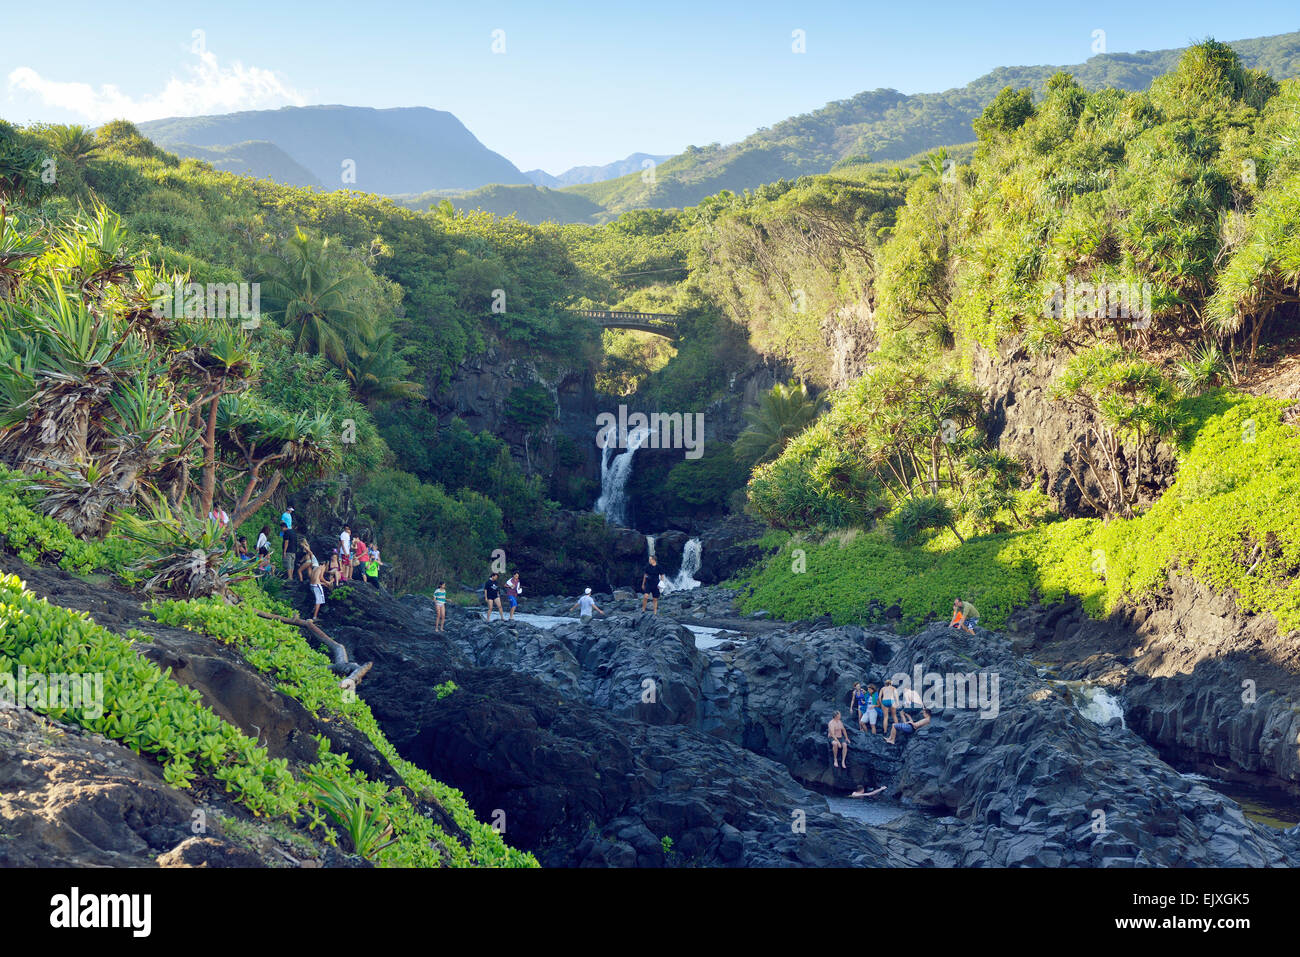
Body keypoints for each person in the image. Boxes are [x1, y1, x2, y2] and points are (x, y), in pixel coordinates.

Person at [308, 557, 326, 621]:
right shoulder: (322, 567)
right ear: (324, 564)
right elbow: (321, 578)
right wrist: (327, 582)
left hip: (312, 585)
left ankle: (313, 611)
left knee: (317, 600)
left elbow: (315, 578)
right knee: (319, 601)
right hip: (317, 586)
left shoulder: (315, 568)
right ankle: (315, 617)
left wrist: (323, 584)